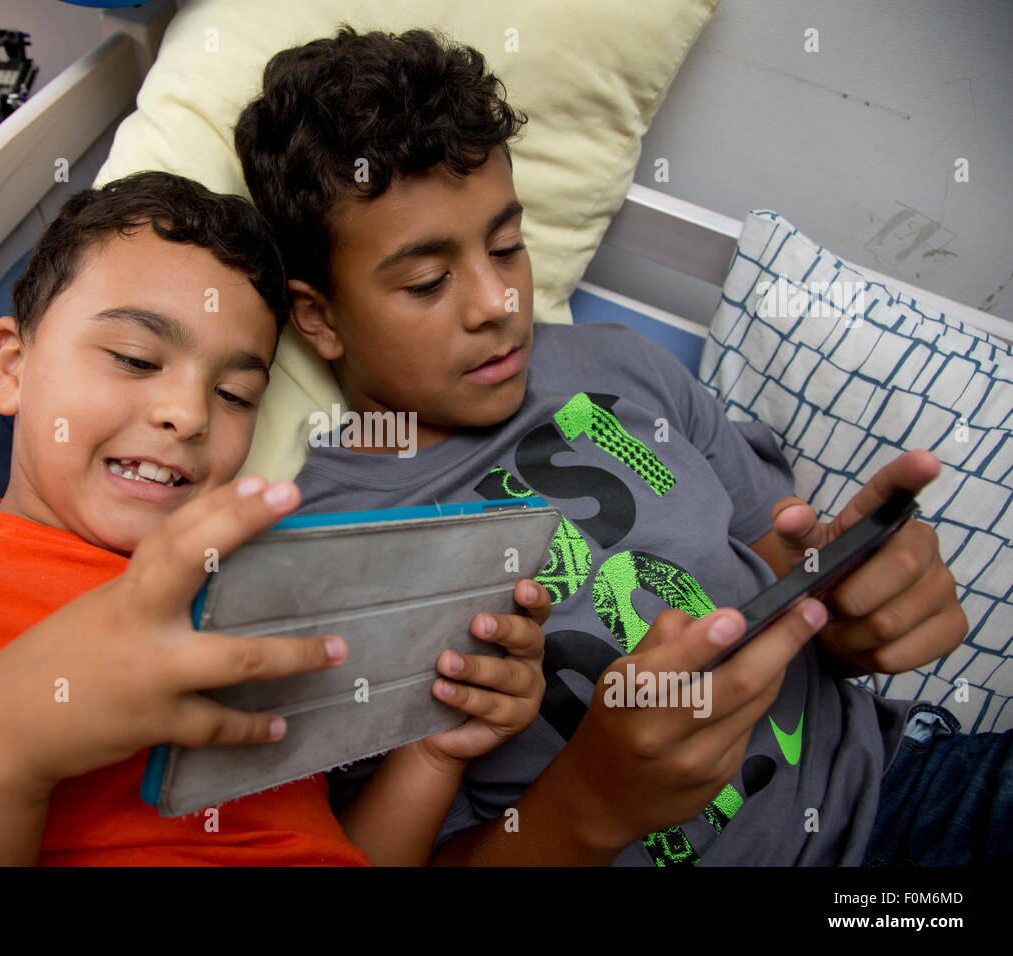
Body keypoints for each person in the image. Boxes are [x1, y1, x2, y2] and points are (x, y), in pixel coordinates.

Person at [233, 27, 1006, 865]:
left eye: (507, 247)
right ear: (317, 317)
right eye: (428, 282)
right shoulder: (322, 550)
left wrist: (853, 604)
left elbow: (783, 572)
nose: (498, 301)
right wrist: (588, 803)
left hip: (899, 798)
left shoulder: (620, 364)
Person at [0, 171, 550, 866]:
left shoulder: (254, 596)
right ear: (12, 368)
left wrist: (434, 747)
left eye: (236, 395)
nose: (187, 413)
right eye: (134, 358)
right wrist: (0, 743)